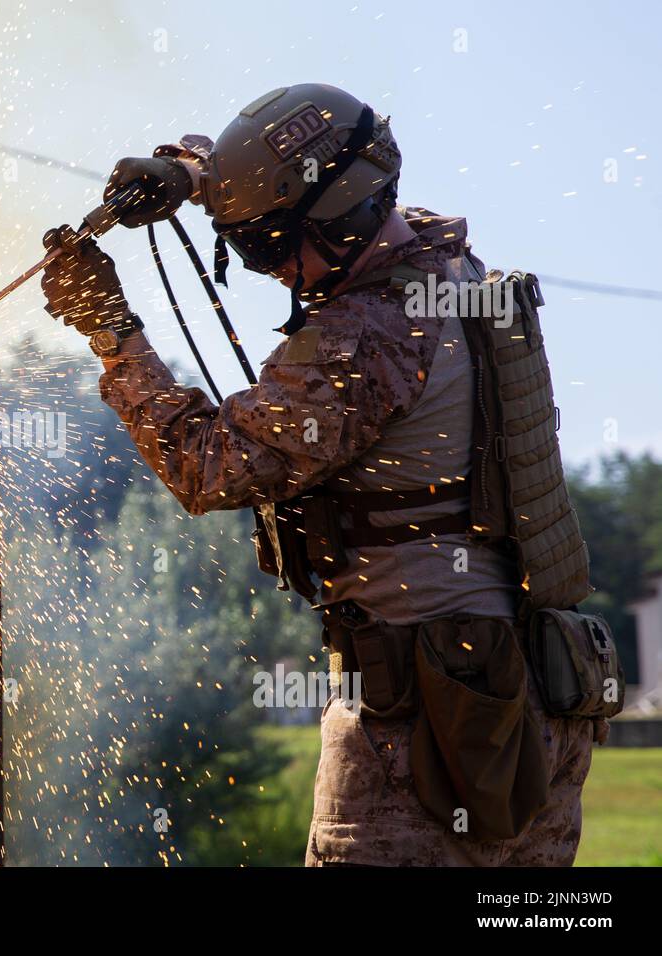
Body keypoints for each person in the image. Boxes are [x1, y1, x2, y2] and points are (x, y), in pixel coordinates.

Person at [41, 83, 616, 866]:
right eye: (246, 249)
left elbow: (205, 465)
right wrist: (195, 173)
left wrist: (111, 331)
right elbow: (313, 169)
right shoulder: (436, 256)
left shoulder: (369, 333)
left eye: (272, 247)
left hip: (428, 726)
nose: (269, 270)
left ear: (339, 224)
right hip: (525, 692)